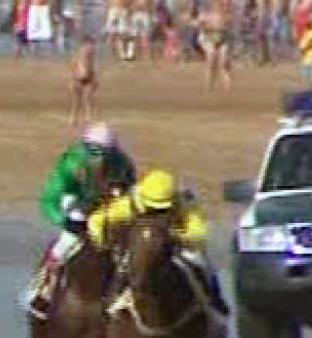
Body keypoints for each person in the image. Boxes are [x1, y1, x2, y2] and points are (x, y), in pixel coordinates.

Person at [26, 123, 137, 319]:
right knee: (67, 241)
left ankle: (132, 292)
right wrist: (64, 220)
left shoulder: (123, 164)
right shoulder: (70, 163)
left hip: (109, 206)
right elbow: (50, 199)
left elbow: (130, 193)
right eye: (93, 152)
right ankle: (44, 286)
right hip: (77, 203)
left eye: (102, 153)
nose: (98, 158)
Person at [87, 169, 229, 314]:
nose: (156, 211)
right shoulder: (129, 202)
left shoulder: (183, 202)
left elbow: (198, 233)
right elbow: (96, 221)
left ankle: (214, 299)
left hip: (175, 246)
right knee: (123, 264)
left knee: (202, 262)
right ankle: (111, 299)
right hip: (135, 243)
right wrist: (102, 242)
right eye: (151, 207)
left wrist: (178, 236)